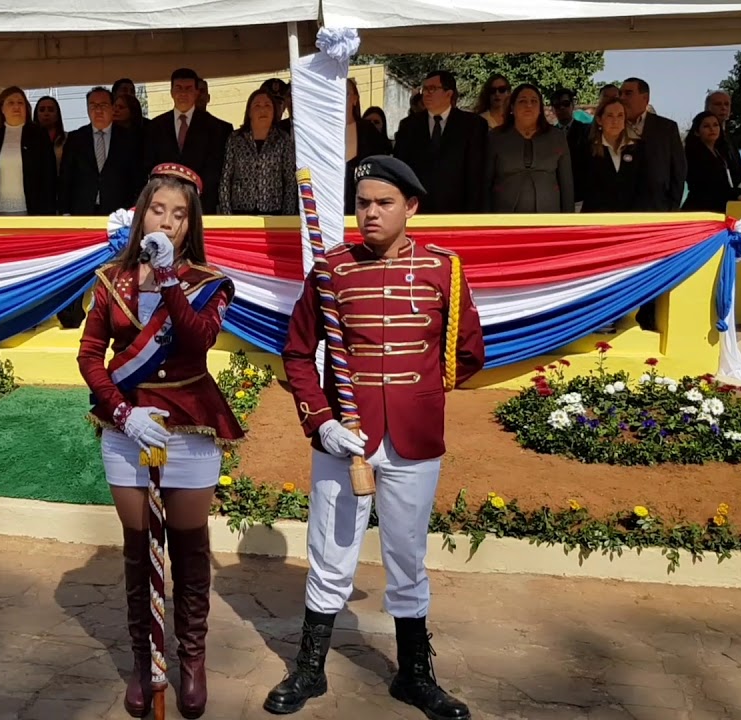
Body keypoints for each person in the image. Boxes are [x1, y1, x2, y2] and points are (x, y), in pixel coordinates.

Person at [266, 155, 484, 719]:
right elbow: (297, 353)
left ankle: (414, 674)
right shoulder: (331, 270)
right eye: (362, 203)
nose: (371, 213)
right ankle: (309, 668)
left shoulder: (444, 269)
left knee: (407, 555)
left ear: (411, 207)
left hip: (414, 436)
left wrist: (419, 395)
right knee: (330, 553)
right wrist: (322, 420)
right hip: (344, 438)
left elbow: (466, 354)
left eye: (384, 203)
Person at [77, 163, 244, 720]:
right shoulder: (111, 279)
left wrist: (170, 277)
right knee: (139, 546)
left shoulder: (210, 282)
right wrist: (123, 413)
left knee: (189, 546)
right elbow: (89, 355)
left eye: (180, 215)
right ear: (141, 213)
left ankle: (192, 659)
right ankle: (144, 661)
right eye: (158, 210)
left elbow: (197, 340)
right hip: (128, 426)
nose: (167, 222)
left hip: (190, 423)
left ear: (191, 224)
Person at [394, 69, 488, 214]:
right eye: (424, 89)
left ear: (448, 94)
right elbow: (401, 169)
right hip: (417, 209)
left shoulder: (473, 125)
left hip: (459, 210)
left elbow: (477, 174)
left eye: (432, 89)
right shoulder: (409, 126)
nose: (426, 93)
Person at [144, 68, 231, 214]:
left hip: (201, 206)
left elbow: (215, 171)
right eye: (178, 88)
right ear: (171, 92)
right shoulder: (154, 127)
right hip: (164, 206)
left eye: (188, 88)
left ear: (197, 92)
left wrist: (193, 196)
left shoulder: (216, 128)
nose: (183, 93)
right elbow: (149, 167)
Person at [485, 84, 574, 214]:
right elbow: (485, 183)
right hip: (504, 216)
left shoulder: (557, 137)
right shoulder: (495, 137)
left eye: (534, 101)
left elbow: (567, 184)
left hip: (548, 216)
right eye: (522, 101)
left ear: (540, 109)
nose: (529, 105)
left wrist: (568, 219)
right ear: (512, 107)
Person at [0, 86, 58, 217]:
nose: (16, 106)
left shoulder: (39, 136)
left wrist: (48, 213)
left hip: (32, 211)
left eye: (20, 103)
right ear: (2, 108)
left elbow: (48, 176)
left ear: (26, 108)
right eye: (11, 103)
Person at [62, 86, 144, 217]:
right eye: (93, 106)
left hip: (119, 212)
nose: (98, 110)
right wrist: (65, 211)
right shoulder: (75, 139)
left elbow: (137, 179)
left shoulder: (129, 139)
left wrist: (133, 210)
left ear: (112, 108)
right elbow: (66, 178)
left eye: (103, 105)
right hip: (82, 211)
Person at [217, 89, 296, 215]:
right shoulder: (236, 138)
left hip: (274, 212)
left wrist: (287, 216)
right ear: (249, 112)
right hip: (240, 212)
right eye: (257, 106)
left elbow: (290, 181)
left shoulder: (283, 139)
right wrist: (227, 214)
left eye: (267, 105)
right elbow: (226, 179)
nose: (262, 110)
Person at [578, 97, 655, 213]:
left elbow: (646, 187)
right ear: (599, 120)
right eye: (610, 116)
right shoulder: (586, 149)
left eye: (620, 115)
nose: (615, 121)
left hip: (631, 218)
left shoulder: (638, 149)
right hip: (596, 218)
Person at [620, 77, 686, 211]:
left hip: (657, 208)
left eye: (628, 93)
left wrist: (672, 208)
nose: (622, 98)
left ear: (645, 98)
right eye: (620, 94)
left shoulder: (666, 128)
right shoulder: (613, 126)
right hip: (619, 209)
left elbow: (678, 169)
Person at [682, 111, 741, 213]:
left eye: (715, 125)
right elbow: (707, 186)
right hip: (700, 207)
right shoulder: (692, 155)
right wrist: (737, 196)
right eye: (706, 126)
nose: (712, 129)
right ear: (697, 132)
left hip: (720, 205)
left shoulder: (721, 153)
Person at [341, 79, 392, 214]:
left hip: (365, 206)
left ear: (354, 99)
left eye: (344, 93)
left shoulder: (368, 131)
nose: (339, 98)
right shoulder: (321, 132)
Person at [35, 96, 68, 174]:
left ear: (57, 115)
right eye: (42, 110)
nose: (46, 113)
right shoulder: (29, 140)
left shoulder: (68, 139)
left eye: (51, 110)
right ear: (36, 115)